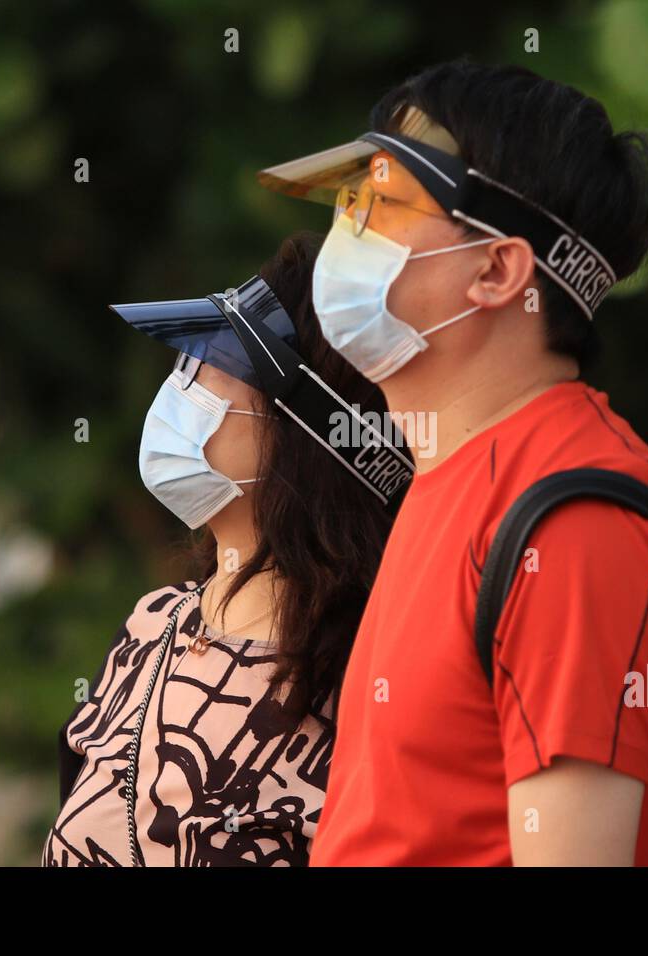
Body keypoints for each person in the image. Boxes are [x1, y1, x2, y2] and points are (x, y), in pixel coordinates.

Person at [257, 60, 648, 866]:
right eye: (348, 197)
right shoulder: (453, 482)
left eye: (385, 199)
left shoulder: (576, 528)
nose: (346, 226)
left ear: (496, 270)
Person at [42, 232, 407, 866]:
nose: (181, 389)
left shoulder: (369, 682)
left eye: (213, 367)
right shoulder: (152, 625)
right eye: (185, 366)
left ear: (309, 436)